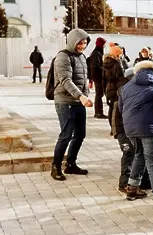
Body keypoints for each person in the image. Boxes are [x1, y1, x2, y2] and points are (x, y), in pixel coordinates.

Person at [119, 60, 153, 216]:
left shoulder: (127, 86)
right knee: (152, 161)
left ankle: (131, 190)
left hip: (129, 128)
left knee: (138, 155)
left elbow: (121, 108)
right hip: (148, 128)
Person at [51, 28, 93, 181]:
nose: (82, 46)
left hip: (78, 101)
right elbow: (66, 80)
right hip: (65, 100)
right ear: (72, 41)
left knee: (80, 134)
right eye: (80, 43)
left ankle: (71, 164)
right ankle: (55, 166)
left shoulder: (81, 57)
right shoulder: (63, 56)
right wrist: (81, 97)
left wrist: (85, 96)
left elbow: (84, 79)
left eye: (84, 43)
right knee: (66, 135)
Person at [102, 42, 126, 129]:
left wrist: (105, 89)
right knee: (115, 109)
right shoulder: (116, 63)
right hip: (116, 88)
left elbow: (103, 78)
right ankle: (115, 128)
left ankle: (112, 127)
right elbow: (120, 77)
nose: (121, 56)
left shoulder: (106, 63)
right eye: (120, 54)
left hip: (109, 88)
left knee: (111, 107)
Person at [89, 37, 107, 119]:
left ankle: (99, 111)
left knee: (99, 94)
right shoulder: (96, 54)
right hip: (98, 77)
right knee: (99, 94)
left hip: (98, 77)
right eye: (104, 45)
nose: (104, 46)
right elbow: (96, 66)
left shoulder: (97, 53)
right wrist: (104, 69)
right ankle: (98, 112)